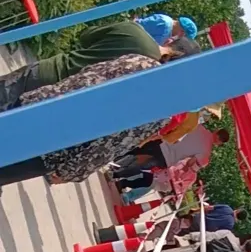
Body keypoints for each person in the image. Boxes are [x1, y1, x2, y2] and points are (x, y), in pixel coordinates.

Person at [0, 54, 185, 189]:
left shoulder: (140, 61)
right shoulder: (160, 110)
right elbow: (110, 144)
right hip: (55, 143)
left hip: (41, 104)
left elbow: (87, 73)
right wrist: (70, 172)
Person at [0, 19, 185, 112]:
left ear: (170, 41)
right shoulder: (149, 81)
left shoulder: (134, 31)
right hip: (58, 104)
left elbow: (86, 36)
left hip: (51, 71)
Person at [114, 127, 230, 178]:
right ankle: (116, 174)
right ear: (219, 142)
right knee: (141, 166)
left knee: (138, 151)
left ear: (216, 131)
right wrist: (185, 168)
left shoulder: (198, 127)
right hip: (168, 158)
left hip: (163, 143)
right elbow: (191, 164)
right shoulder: (206, 153)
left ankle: (116, 161)